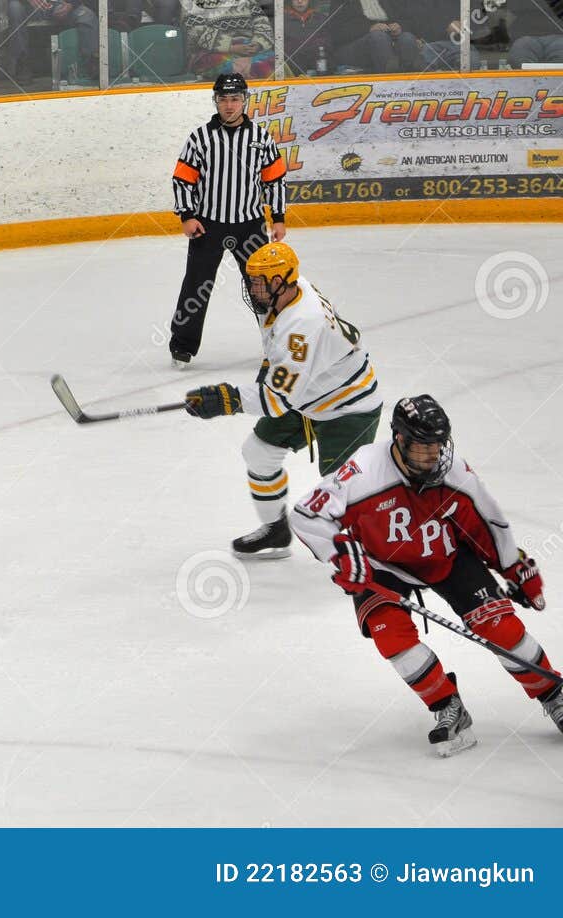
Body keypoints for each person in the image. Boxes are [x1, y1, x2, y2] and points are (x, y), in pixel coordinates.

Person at [290, 395, 561, 756]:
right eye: (423, 448)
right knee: (391, 636)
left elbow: (486, 521)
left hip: (445, 557)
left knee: (502, 628)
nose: (433, 456)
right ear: (399, 441)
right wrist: (340, 553)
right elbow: (306, 515)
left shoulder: (454, 472)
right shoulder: (363, 470)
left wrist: (512, 565)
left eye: (438, 446)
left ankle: (555, 694)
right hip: (384, 566)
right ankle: (448, 706)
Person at [183, 242, 382, 557]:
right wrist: (267, 370)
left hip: (348, 406)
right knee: (258, 453)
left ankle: (381, 551)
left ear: (278, 282)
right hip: (309, 395)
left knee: (340, 487)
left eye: (258, 282)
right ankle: (276, 531)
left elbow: (276, 401)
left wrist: (225, 399)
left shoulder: (301, 327)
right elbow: (279, 357)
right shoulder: (292, 289)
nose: (251, 288)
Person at [168, 72, 287, 368]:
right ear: (216, 102)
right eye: (223, 99)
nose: (229, 106)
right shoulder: (200, 138)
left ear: (244, 100)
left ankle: (275, 343)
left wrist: (279, 217)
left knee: (263, 286)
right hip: (208, 225)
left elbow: (275, 180)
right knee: (197, 286)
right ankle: (182, 346)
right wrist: (187, 215)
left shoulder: (261, 138)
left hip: (250, 226)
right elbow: (183, 179)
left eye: (235, 99)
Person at [180, 0, 276, 78]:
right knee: (241, 68)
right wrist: (231, 47)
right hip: (210, 52)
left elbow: (263, 23)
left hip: (249, 48)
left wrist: (257, 44)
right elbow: (196, 31)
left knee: (276, 64)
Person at [328, 0, 421, 73]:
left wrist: (399, 26)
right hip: (353, 45)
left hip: (389, 37)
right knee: (378, 37)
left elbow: (408, 20)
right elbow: (337, 32)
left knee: (407, 38)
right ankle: (389, 88)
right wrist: (369, 28)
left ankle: (413, 88)